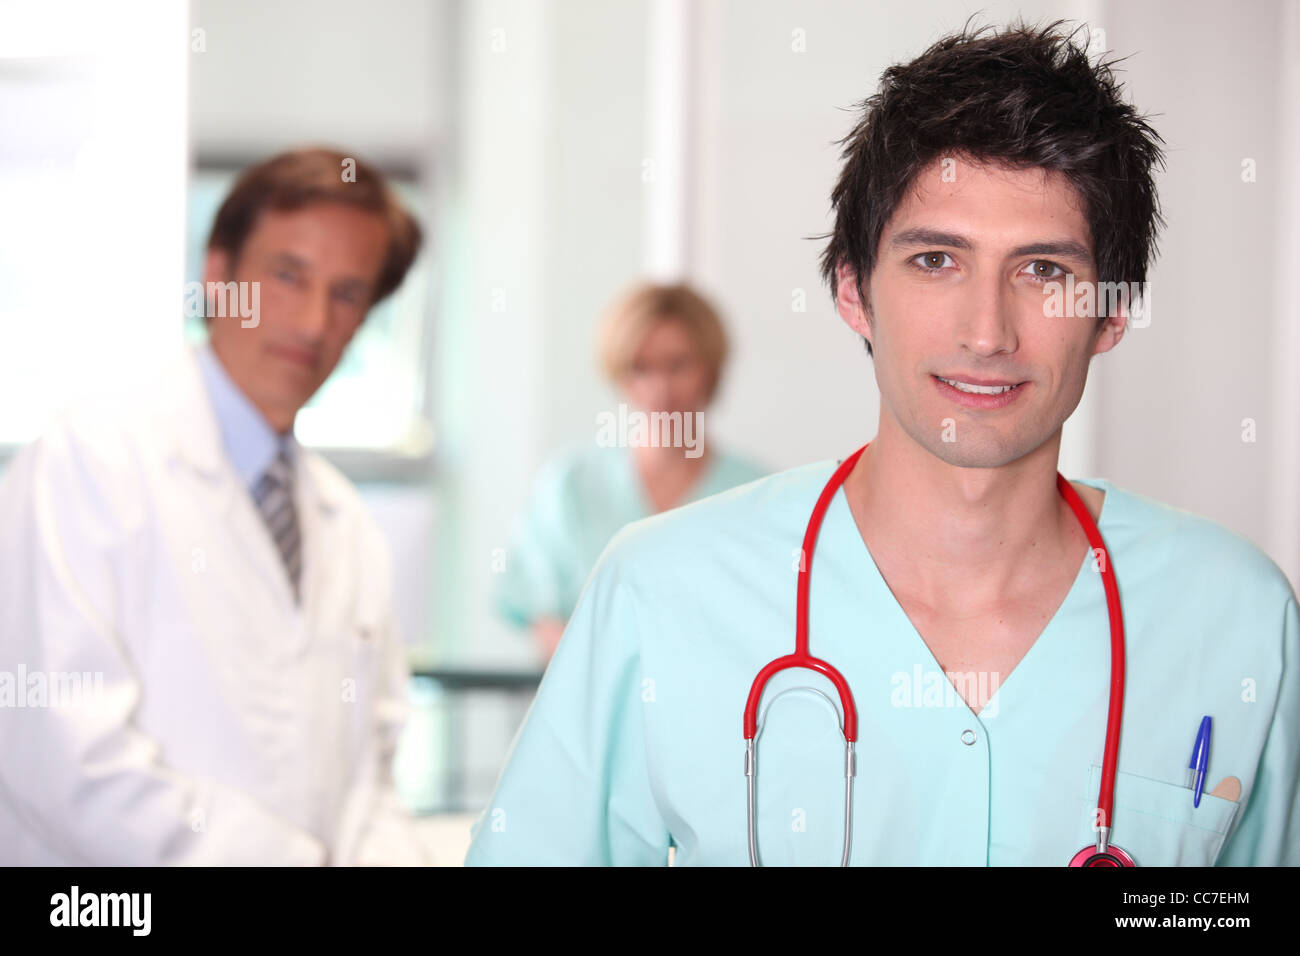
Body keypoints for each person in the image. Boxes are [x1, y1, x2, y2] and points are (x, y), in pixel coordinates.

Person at [465, 21, 1299, 866]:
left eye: (1044, 270)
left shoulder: (1234, 617)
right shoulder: (660, 592)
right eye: (937, 260)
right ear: (853, 291)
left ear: (1113, 312)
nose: (987, 332)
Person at [0, 148, 430, 864]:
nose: (313, 321)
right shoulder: (90, 461)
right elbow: (63, 756)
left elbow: (369, 783)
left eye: (348, 293)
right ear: (218, 273)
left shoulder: (346, 526)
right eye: (287, 275)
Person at [494, 281, 766, 661]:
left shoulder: (758, 493)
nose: (660, 387)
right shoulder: (570, 485)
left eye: (678, 365)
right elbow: (540, 611)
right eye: (640, 368)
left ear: (710, 369)